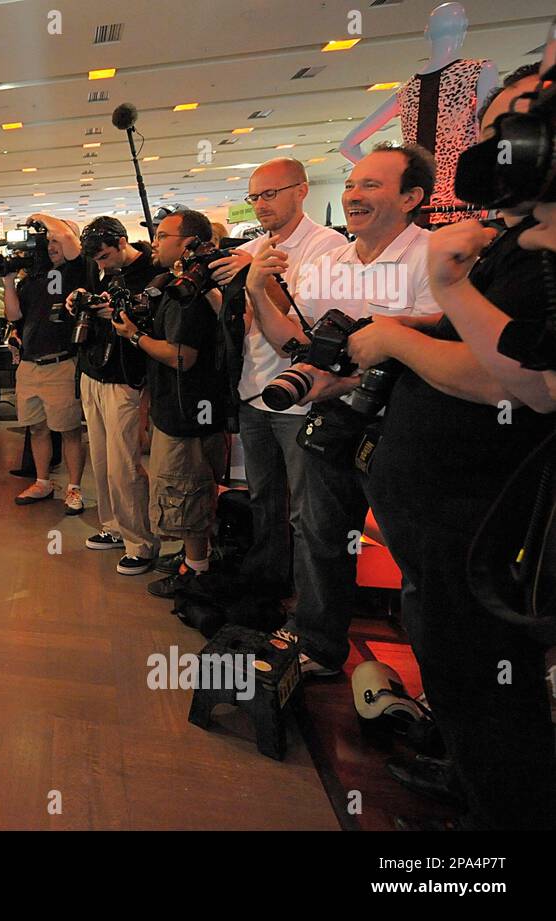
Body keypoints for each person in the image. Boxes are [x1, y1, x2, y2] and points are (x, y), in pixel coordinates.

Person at [330, 71, 556, 829]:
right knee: (460, 685)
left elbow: (528, 381)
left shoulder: (541, 260)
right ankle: (466, 777)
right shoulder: (511, 244)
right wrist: (431, 319)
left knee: (493, 694)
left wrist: (400, 330)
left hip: (484, 529)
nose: (493, 152)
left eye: (508, 131)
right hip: (437, 521)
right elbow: (486, 340)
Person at [245, 143, 441, 674]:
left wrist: (367, 359)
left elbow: (437, 350)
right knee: (321, 534)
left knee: (418, 559)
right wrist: (257, 289)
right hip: (334, 422)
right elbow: (296, 342)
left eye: (371, 186)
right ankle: (319, 645)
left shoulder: (432, 257)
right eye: (352, 185)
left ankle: (443, 687)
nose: (354, 196)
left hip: (403, 427)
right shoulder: (334, 261)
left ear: (411, 197)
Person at [206, 159, 347, 593]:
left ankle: (310, 610)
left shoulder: (327, 247)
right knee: (264, 500)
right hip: (253, 393)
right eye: (254, 197)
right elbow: (240, 324)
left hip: (299, 396)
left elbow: (297, 326)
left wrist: (253, 279)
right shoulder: (254, 249)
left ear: (301, 190)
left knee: (308, 512)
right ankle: (269, 588)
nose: (261, 205)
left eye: (270, 194)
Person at [112, 210, 227, 598]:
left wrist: (133, 336)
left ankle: (196, 573)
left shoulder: (190, 294)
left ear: (189, 243)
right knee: (183, 493)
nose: (156, 243)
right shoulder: (180, 286)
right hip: (179, 409)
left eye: (163, 236)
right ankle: (191, 561)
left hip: (187, 413)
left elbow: (182, 356)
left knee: (187, 494)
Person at [74, 216, 161, 575]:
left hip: (125, 376)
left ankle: (139, 541)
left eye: (106, 256)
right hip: (94, 370)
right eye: (96, 259)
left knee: (124, 463)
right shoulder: (101, 269)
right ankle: (112, 527)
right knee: (101, 460)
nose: (100, 264)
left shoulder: (153, 272)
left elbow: (157, 323)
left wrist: (127, 317)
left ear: (123, 242)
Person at [2, 214, 92, 513]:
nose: (52, 245)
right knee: (37, 428)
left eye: (55, 240)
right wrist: (8, 282)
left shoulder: (76, 271)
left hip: (61, 363)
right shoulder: (34, 278)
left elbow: (68, 239)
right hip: (29, 364)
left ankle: (74, 488)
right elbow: (14, 315)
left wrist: (40, 218)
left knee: (68, 430)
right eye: (47, 241)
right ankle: (43, 481)